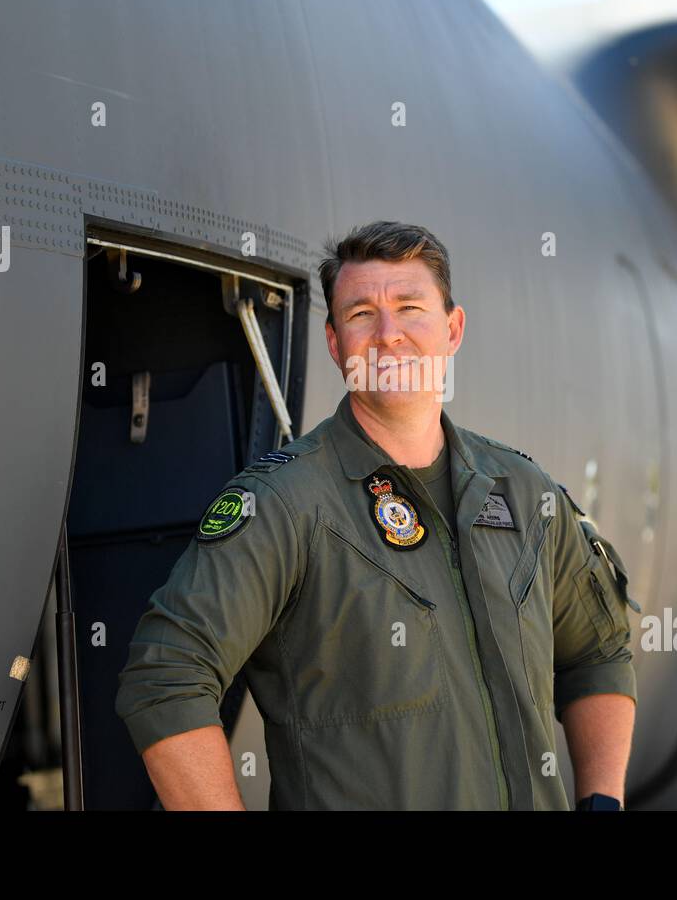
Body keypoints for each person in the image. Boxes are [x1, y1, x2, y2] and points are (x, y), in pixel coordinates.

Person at [115, 220, 639, 810]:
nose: (388, 335)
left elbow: (597, 651)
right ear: (336, 344)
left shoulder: (524, 493)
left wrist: (603, 801)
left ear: (453, 328)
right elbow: (165, 678)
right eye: (361, 313)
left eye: (410, 307)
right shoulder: (286, 502)